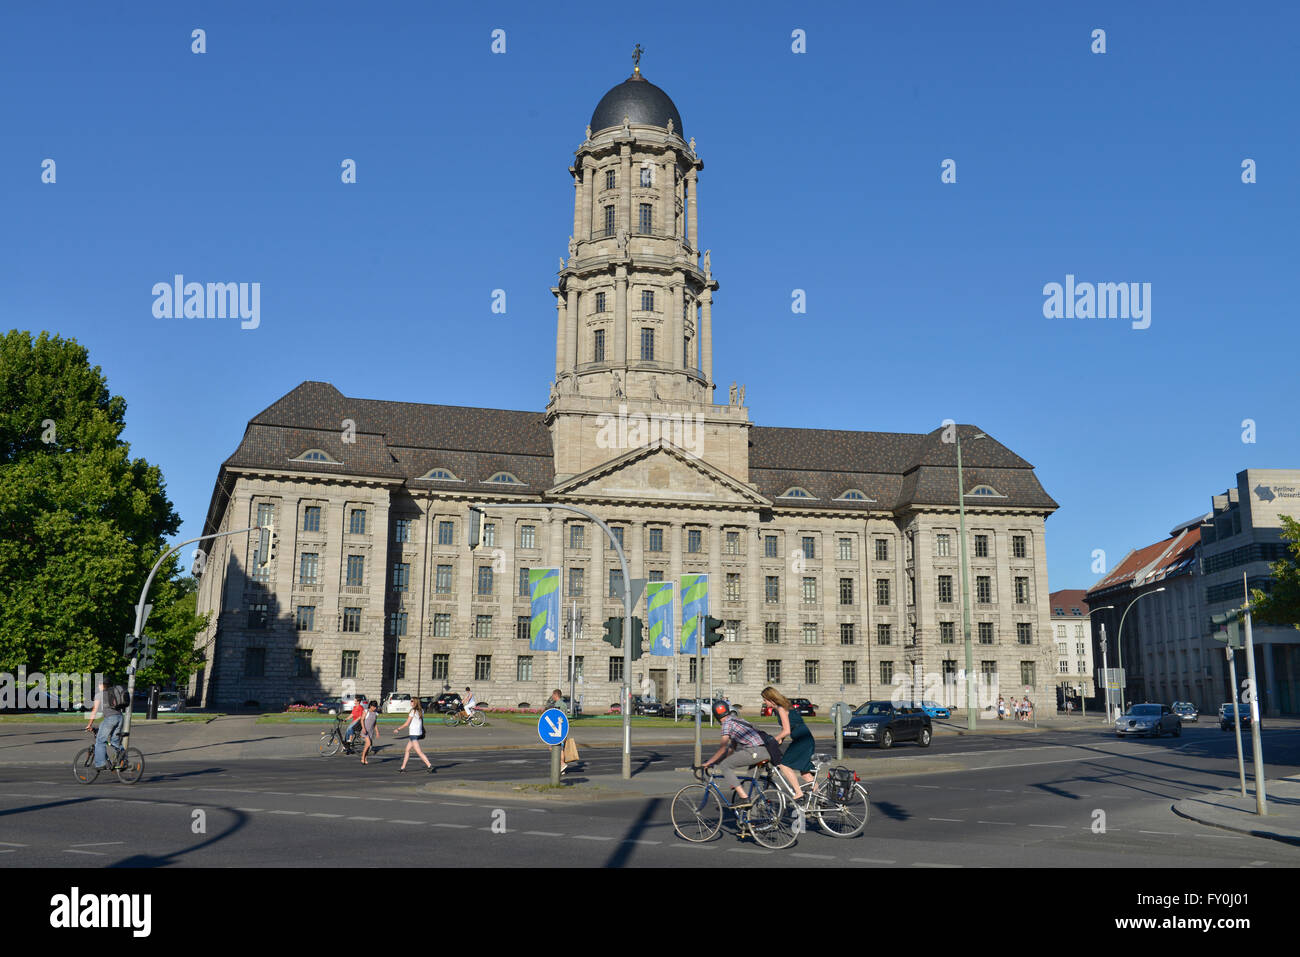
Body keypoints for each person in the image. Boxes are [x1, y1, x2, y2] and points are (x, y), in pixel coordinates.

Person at [700, 701, 767, 806]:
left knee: (725, 766)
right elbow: (732, 748)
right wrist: (719, 763)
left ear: (715, 715)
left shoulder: (726, 724)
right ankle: (751, 820)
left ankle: (743, 797)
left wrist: (708, 763)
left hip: (754, 751)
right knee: (748, 785)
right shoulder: (736, 720)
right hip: (764, 751)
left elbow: (723, 748)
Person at [762, 686, 815, 802]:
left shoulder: (781, 708)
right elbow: (788, 727)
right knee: (805, 773)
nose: (764, 702)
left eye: (765, 699)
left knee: (784, 764)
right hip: (806, 739)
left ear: (771, 699)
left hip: (802, 740)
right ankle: (820, 799)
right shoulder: (782, 708)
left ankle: (798, 792)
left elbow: (786, 731)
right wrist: (779, 741)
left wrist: (773, 740)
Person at [84, 680, 125, 770]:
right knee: (115, 741)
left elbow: (94, 711)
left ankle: (100, 764)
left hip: (110, 719)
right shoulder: (113, 692)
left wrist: (89, 724)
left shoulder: (100, 695)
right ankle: (123, 761)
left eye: (99, 684)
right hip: (120, 718)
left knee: (100, 740)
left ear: (102, 685)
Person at [394, 698, 433, 773]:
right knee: (407, 750)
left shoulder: (413, 711)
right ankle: (403, 768)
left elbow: (406, 724)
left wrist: (398, 729)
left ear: (415, 702)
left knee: (418, 751)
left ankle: (429, 765)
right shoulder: (421, 710)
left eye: (411, 701)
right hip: (417, 733)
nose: (410, 702)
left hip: (413, 734)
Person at [359, 700, 381, 765]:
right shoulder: (366, 711)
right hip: (365, 731)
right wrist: (363, 728)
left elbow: (375, 723)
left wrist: (377, 732)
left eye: (375, 707)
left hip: (371, 732)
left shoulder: (375, 713)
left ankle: (365, 758)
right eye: (374, 707)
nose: (375, 708)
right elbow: (362, 720)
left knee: (369, 746)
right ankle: (362, 757)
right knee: (368, 744)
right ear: (370, 706)